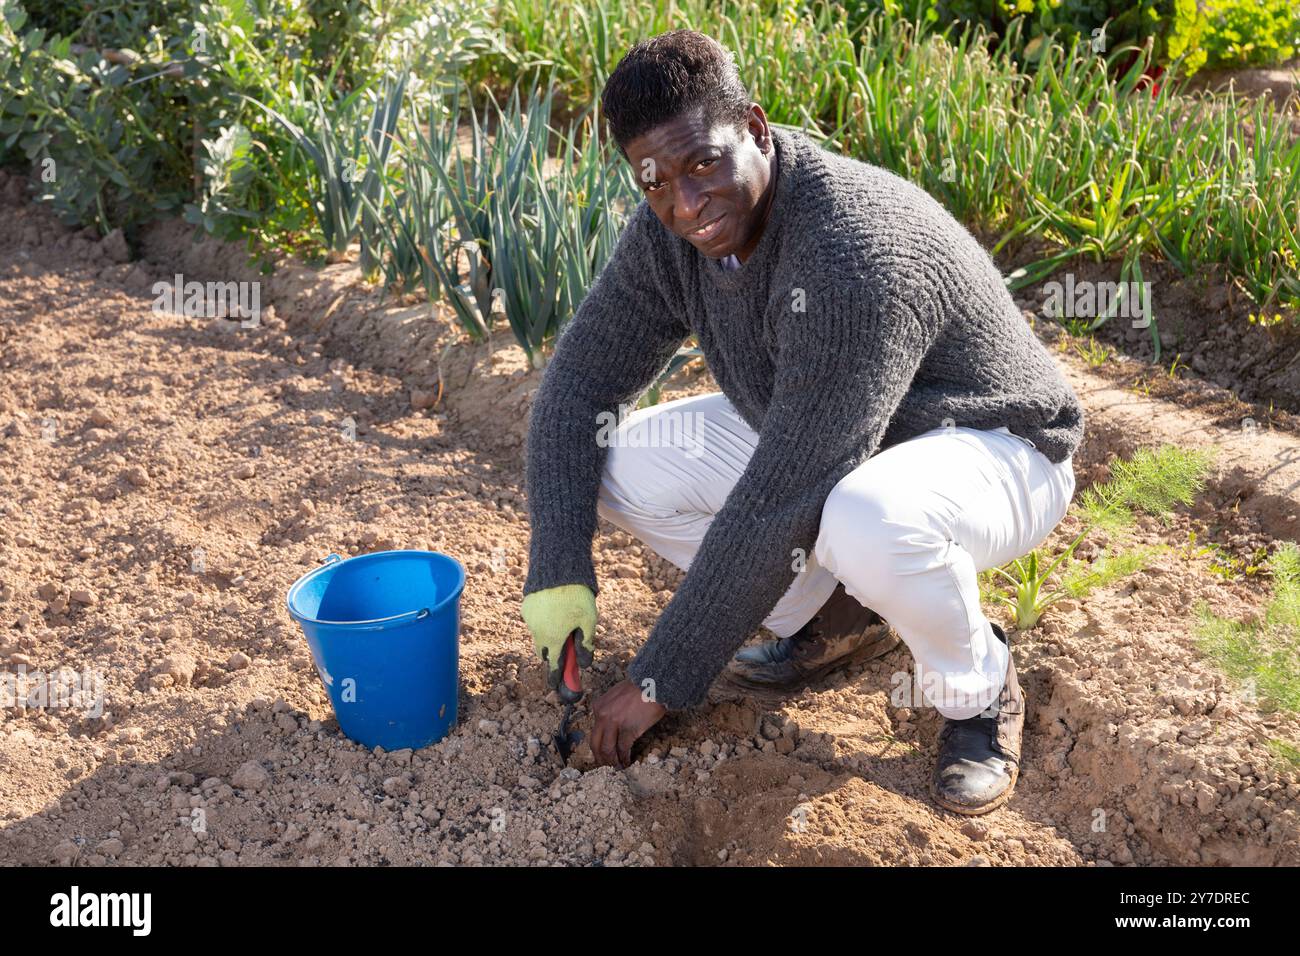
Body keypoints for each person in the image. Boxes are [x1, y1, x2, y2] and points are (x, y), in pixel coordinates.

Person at [520, 29, 1083, 815]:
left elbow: (780, 500)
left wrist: (656, 681)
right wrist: (557, 569)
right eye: (655, 183)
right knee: (617, 463)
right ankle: (833, 621)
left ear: (754, 128)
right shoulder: (669, 234)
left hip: (990, 446)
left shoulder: (850, 251)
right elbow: (580, 385)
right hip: (828, 431)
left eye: (703, 164)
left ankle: (974, 691)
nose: (685, 204)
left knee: (868, 519)